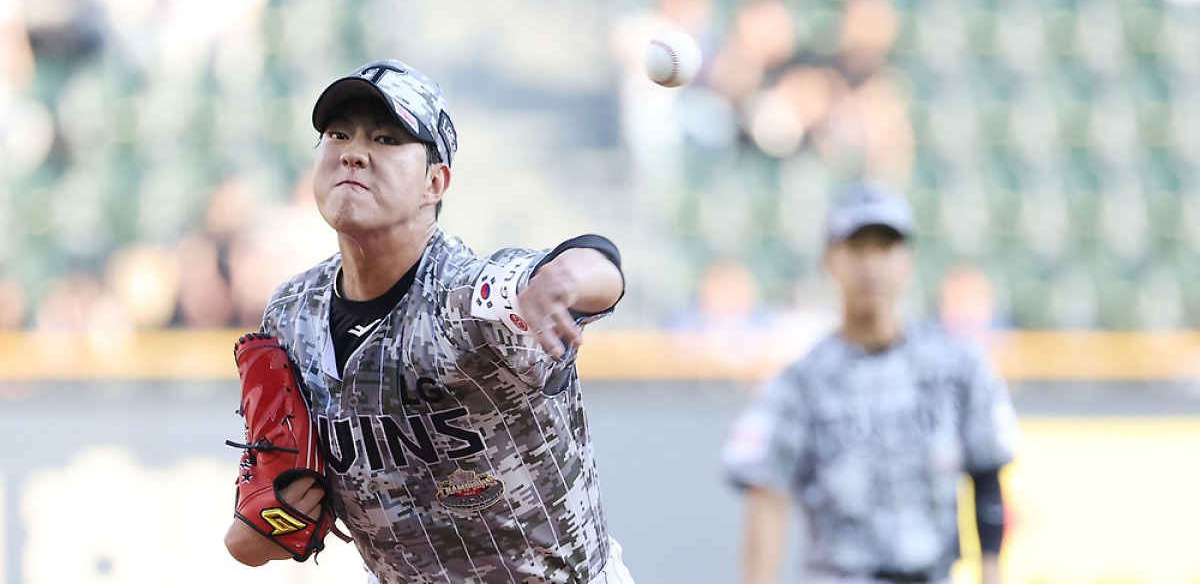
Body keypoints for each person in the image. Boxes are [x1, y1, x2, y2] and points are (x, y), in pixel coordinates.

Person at [223, 59, 635, 583]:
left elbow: (596, 268)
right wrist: (267, 518)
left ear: (434, 182)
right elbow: (254, 542)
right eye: (337, 133)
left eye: (387, 138)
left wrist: (566, 277)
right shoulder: (292, 316)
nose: (353, 151)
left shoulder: (463, 298)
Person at [721, 180, 1018, 584]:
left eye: (885, 246)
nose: (871, 264)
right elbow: (765, 493)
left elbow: (986, 473)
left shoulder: (956, 366)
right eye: (857, 248)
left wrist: (991, 572)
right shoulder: (803, 383)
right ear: (831, 260)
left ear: (908, 259)